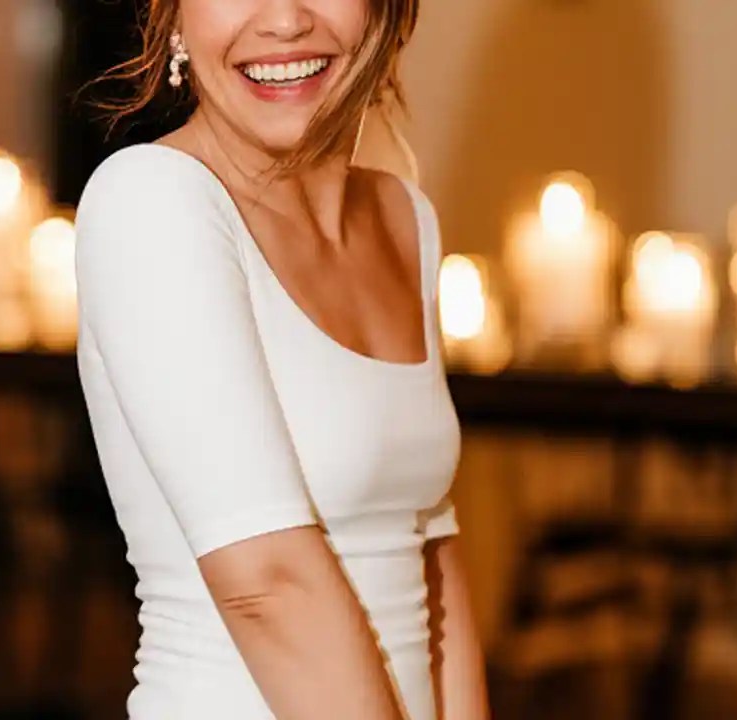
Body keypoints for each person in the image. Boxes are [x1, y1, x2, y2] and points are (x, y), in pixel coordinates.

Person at [73, 1, 490, 718]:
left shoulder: (403, 215)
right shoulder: (151, 201)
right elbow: (268, 586)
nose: (286, 20)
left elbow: (433, 557)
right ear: (170, 18)